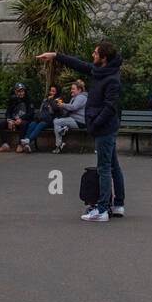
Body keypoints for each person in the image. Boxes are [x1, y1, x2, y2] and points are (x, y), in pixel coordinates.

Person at [37, 42, 124, 221]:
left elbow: (110, 107)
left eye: (95, 53)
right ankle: (118, 204)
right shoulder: (100, 72)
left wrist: (94, 124)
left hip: (105, 128)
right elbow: (79, 64)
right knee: (112, 165)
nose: (92, 55)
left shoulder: (112, 79)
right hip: (103, 127)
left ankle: (102, 209)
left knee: (104, 167)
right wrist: (55, 55)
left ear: (104, 57)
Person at [21, 85, 61, 153]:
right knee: (32, 124)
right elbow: (41, 110)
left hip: (50, 120)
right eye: (50, 91)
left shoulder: (59, 99)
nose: (51, 92)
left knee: (40, 125)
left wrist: (51, 100)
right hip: (41, 118)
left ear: (57, 92)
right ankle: (27, 144)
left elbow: (56, 109)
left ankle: (28, 140)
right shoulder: (45, 99)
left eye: (53, 91)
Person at [0, 82, 33, 153]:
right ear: (15, 91)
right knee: (0, 124)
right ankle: (5, 144)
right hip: (13, 120)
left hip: (24, 120)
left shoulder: (28, 100)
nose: (21, 93)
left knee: (23, 124)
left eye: (22, 91)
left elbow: (30, 114)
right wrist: (9, 120)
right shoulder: (12, 99)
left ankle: (20, 145)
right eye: (19, 91)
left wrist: (21, 119)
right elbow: (8, 112)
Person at [51, 80, 86, 154]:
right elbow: (68, 110)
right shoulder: (75, 97)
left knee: (57, 122)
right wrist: (60, 105)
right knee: (57, 120)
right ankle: (62, 130)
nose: (71, 90)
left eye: (73, 89)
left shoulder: (81, 97)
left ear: (79, 90)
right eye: (71, 89)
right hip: (73, 119)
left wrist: (63, 105)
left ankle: (59, 145)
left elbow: (73, 107)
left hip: (79, 121)